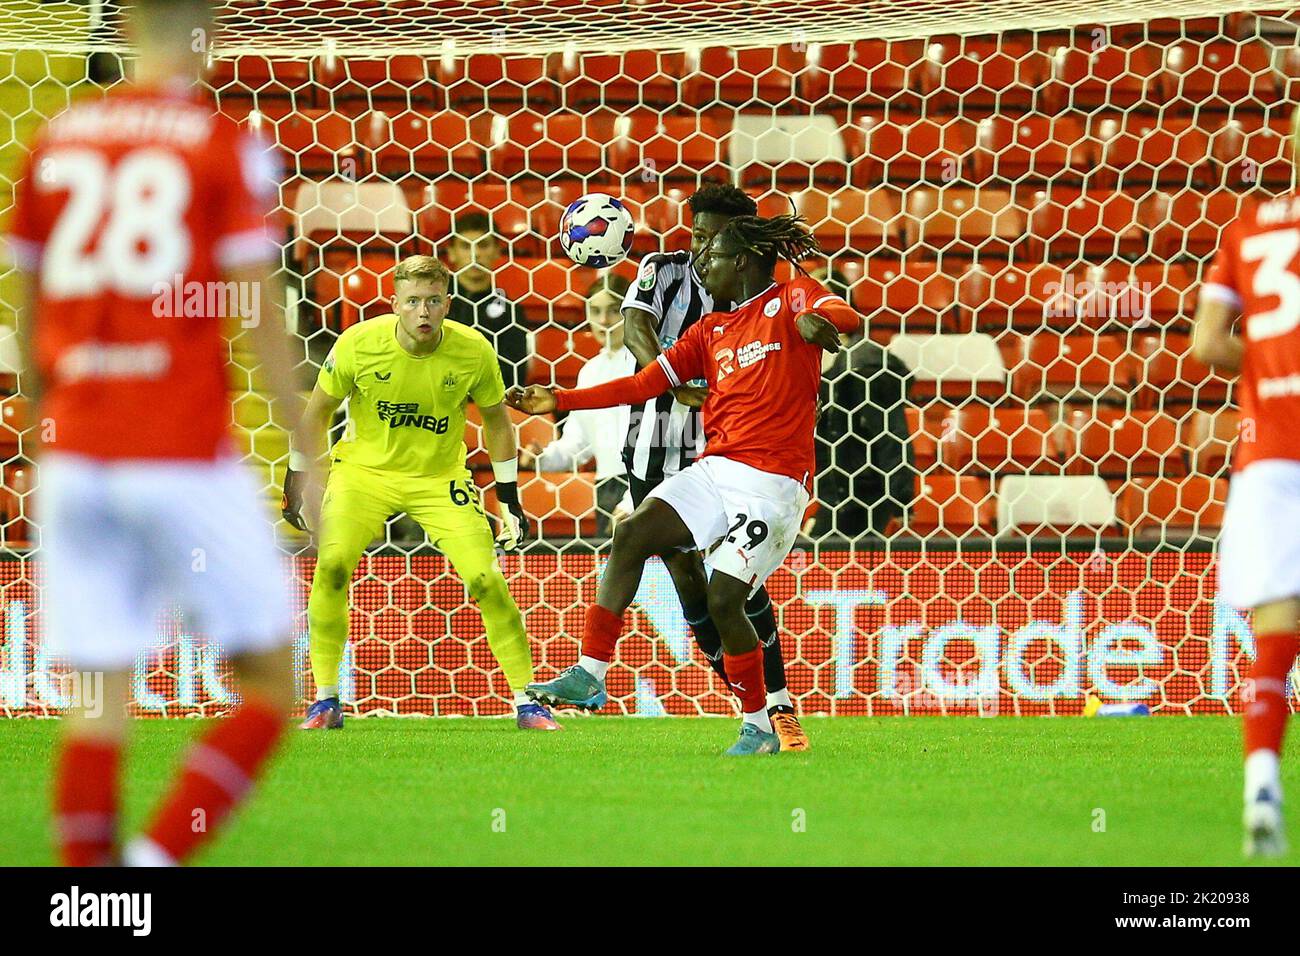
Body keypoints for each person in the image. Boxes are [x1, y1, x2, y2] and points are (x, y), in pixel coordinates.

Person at [5, 0, 322, 866]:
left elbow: (28, 320)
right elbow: (256, 314)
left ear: (121, 30)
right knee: (268, 686)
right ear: (204, 33)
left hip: (74, 454)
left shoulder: (54, 138)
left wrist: (47, 431)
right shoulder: (224, 143)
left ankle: (90, 899)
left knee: (96, 701)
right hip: (180, 450)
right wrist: (307, 445)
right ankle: (149, 870)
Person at [508, 215, 862, 755]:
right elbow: (643, 383)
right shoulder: (712, 330)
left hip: (773, 483)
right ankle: (589, 672)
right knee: (631, 536)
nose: (702, 264)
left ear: (741, 260)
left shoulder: (791, 297)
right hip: (714, 470)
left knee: (725, 600)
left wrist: (823, 320)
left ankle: (760, 725)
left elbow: (840, 311)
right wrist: (561, 400)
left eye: (712, 256)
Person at [280, 255, 559, 732]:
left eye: (433, 301)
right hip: (363, 474)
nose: (423, 312)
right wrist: (295, 478)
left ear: (447, 303)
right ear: (395, 303)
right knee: (329, 569)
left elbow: (496, 420)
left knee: (487, 581)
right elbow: (318, 410)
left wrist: (509, 496)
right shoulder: (358, 344)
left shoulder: (474, 350)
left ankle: (527, 702)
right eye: (413, 301)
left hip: (439, 479)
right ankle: (325, 701)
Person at [619, 182, 809, 751]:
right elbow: (635, 328)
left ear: (740, 243)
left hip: (735, 451)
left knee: (740, 588)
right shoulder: (663, 269)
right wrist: (671, 378)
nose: (699, 249)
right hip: (657, 448)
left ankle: (777, 709)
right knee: (690, 587)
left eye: (710, 238)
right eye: (695, 235)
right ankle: (751, 710)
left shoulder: (757, 294)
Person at [1192, 111, 1300, 857]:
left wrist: (1269, 376)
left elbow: (1206, 344)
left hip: (1270, 455)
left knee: (1276, 624)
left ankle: (1262, 777)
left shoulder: (1246, 228)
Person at [521, 274, 635, 536]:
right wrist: (543, 459)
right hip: (607, 487)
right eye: (595, 311)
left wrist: (633, 499)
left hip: (645, 487)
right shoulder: (590, 371)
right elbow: (578, 443)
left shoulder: (647, 364)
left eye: (613, 310)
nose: (604, 320)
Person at [808, 266, 914, 538]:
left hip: (861, 499)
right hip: (832, 495)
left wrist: (901, 497)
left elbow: (891, 434)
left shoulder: (865, 364)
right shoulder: (812, 363)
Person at [444, 211, 530, 389]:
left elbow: (514, 375)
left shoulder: (510, 310)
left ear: (497, 251)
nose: (475, 254)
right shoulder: (433, 305)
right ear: (451, 253)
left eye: (483, 245)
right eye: (466, 246)